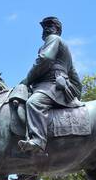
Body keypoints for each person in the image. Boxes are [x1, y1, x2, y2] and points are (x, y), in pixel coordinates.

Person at [17, 16, 83, 155]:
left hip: (52, 85)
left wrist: (27, 79)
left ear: (57, 30)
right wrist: (76, 92)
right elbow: (75, 76)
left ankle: (38, 141)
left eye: (49, 26)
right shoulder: (60, 46)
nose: (45, 30)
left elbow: (45, 59)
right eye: (44, 27)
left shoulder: (54, 39)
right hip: (45, 85)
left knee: (34, 103)